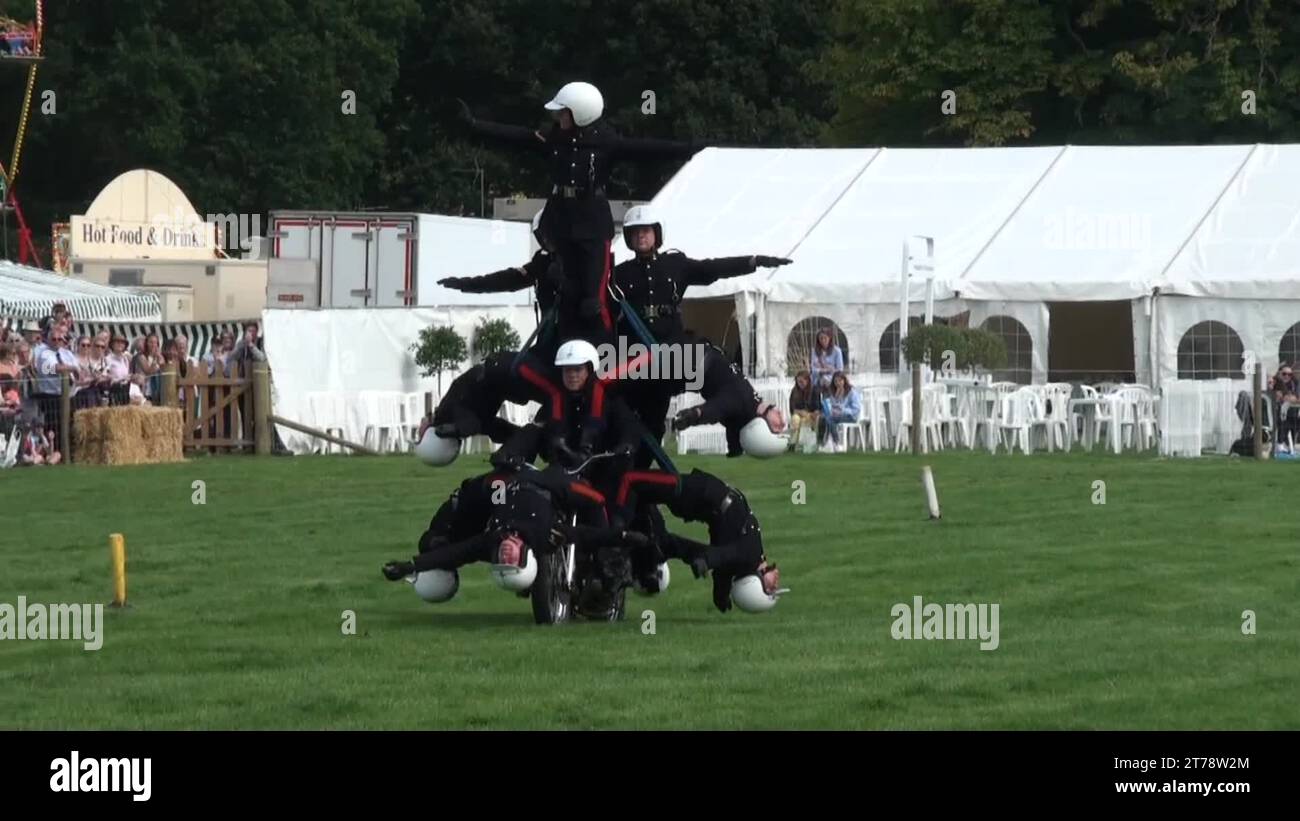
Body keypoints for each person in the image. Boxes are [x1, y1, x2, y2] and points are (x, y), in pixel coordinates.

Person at [460, 82, 703, 342]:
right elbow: (517, 137)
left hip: (592, 224)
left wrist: (688, 148)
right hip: (562, 220)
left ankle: (600, 342)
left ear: (580, 114)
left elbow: (646, 149)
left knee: (592, 297)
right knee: (563, 282)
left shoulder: (606, 142)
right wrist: (475, 126)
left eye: (564, 113)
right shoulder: (553, 138)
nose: (559, 117)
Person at [609, 467, 786, 613]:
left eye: (771, 587)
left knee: (630, 479)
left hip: (702, 494)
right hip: (704, 497)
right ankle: (626, 538)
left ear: (753, 585)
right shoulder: (749, 556)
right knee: (640, 488)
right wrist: (719, 592)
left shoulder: (746, 556)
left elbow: (723, 558)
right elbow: (722, 565)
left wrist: (707, 566)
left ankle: (614, 539)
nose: (776, 580)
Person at [670, 343, 786, 458]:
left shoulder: (742, 405)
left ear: (761, 430)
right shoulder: (748, 405)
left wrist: (694, 415)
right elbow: (728, 419)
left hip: (691, 363)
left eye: (777, 426)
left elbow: (716, 410)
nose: (781, 418)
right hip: (694, 360)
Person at [818, 371, 860, 451]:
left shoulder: (852, 392)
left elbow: (856, 409)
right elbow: (833, 407)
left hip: (851, 416)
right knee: (824, 418)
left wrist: (842, 411)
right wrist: (837, 397)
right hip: (836, 416)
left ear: (844, 381)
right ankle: (826, 443)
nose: (838, 383)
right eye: (836, 381)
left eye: (840, 380)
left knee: (830, 419)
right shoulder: (834, 392)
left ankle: (834, 443)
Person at [786, 369, 821, 451]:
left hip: (810, 415)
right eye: (798, 382)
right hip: (799, 414)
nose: (800, 384)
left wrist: (813, 413)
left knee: (812, 420)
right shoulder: (794, 391)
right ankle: (793, 443)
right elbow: (792, 409)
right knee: (795, 419)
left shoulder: (814, 390)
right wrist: (799, 412)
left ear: (807, 380)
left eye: (802, 381)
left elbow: (818, 407)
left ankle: (813, 443)